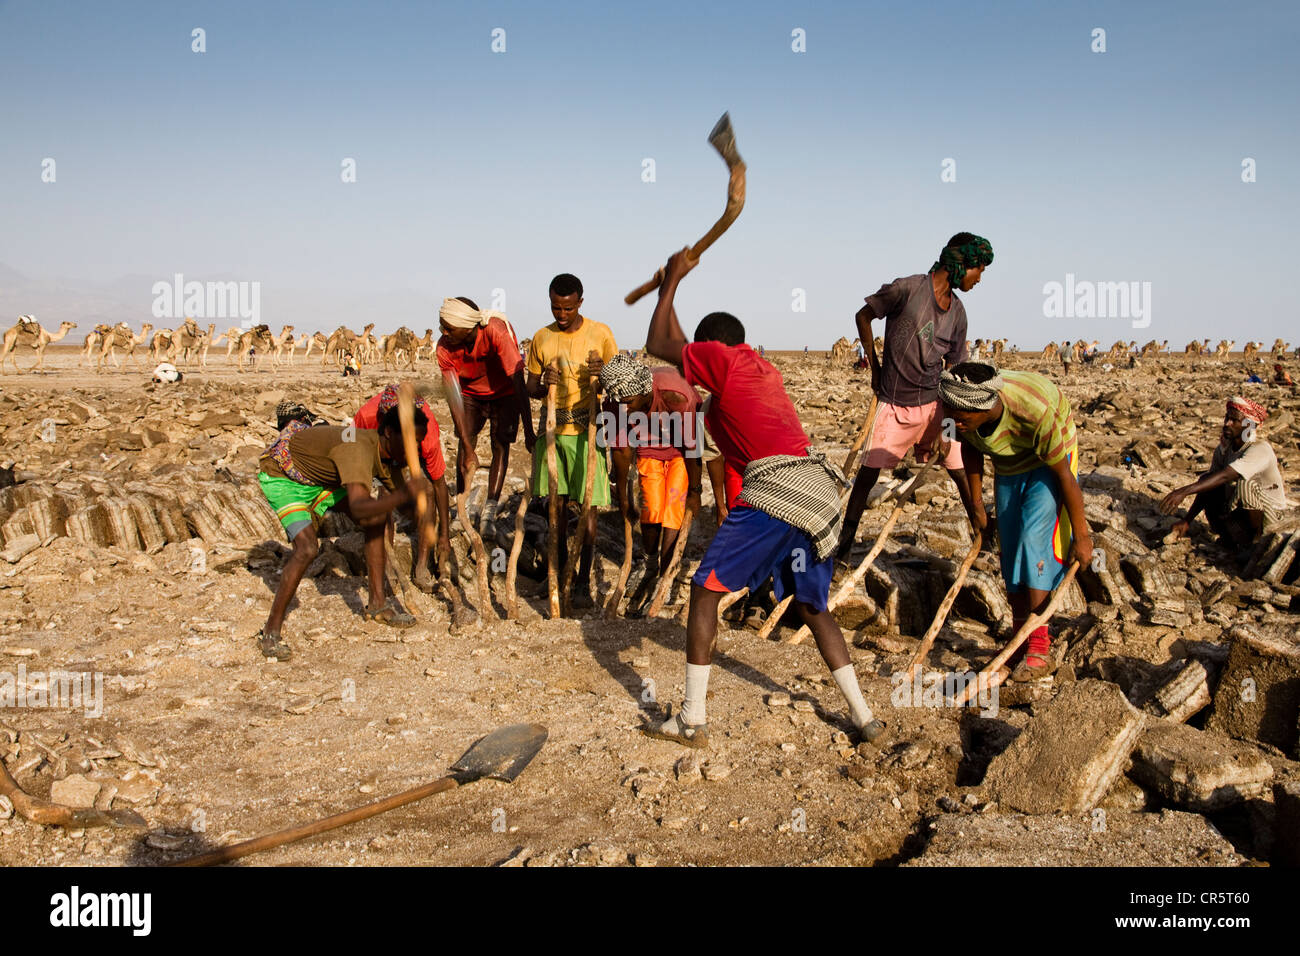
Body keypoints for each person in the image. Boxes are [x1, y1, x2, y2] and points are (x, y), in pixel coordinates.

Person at [642, 248, 886, 747]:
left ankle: (692, 719)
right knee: (815, 609)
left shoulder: (724, 359)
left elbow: (659, 341)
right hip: (817, 496)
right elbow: (729, 448)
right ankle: (865, 719)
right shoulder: (760, 372)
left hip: (778, 491)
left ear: (713, 348)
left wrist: (672, 282)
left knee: (705, 591)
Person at [836, 233, 991, 561]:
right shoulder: (906, 290)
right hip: (893, 404)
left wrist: (948, 432)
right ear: (960, 264)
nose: (979, 279)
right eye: (978, 270)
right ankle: (843, 546)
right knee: (867, 474)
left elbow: (955, 377)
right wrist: (875, 368)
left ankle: (983, 536)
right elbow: (863, 316)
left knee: (959, 469)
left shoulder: (958, 314)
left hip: (936, 406)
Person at [939, 361, 1092, 681]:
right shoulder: (960, 410)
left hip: (1049, 458)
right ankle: (1018, 638)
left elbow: (1064, 476)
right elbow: (970, 450)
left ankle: (1038, 645)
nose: (952, 424)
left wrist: (1081, 533)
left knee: (1032, 540)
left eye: (960, 419)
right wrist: (978, 506)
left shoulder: (1033, 412)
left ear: (984, 408)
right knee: (1009, 546)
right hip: (1009, 459)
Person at [255, 406, 431, 661]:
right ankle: (270, 633)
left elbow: (402, 507)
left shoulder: (387, 458)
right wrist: (404, 495)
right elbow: (359, 507)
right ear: (389, 433)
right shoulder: (358, 449)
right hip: (286, 478)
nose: (415, 449)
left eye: (418, 442)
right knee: (307, 549)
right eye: (411, 441)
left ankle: (377, 605)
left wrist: (420, 506)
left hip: (321, 480)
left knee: (377, 519)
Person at [524, 273, 617, 609]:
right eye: (555, 308)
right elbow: (530, 388)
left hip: (587, 433)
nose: (560, 315)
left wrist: (601, 373)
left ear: (580, 302)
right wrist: (543, 381)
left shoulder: (600, 333)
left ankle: (582, 584)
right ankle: (563, 571)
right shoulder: (541, 338)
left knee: (588, 506)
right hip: (552, 433)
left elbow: (616, 383)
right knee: (557, 509)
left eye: (566, 308)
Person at [599, 354, 702, 615]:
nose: (626, 408)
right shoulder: (617, 400)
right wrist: (623, 499)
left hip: (680, 450)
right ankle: (650, 562)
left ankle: (666, 575)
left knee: (673, 511)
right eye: (621, 403)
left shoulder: (675, 396)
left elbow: (692, 447)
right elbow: (622, 451)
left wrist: (695, 491)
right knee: (651, 509)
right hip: (649, 447)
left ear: (644, 392)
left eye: (630, 402)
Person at [435, 297, 535, 530]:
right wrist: (469, 449)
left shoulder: (496, 331)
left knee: (500, 443)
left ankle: (490, 507)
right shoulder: (444, 347)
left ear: (467, 325)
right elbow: (454, 398)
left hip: (505, 392)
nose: (444, 332)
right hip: (470, 395)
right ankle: (463, 507)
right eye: (442, 327)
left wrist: (529, 430)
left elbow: (517, 381)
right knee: (465, 440)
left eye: (448, 327)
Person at [353, 385, 452, 591]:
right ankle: (387, 566)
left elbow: (439, 483)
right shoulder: (366, 418)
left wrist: (444, 536)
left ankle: (422, 567)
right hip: (381, 453)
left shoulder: (426, 431)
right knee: (383, 496)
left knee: (428, 493)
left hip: (412, 455)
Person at [1161, 396, 1291, 547]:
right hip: (1241, 509)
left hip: (1272, 516)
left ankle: (1256, 542)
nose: (1227, 423)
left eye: (1234, 420)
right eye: (1227, 418)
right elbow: (1210, 483)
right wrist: (1187, 520)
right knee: (1209, 480)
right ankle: (1231, 538)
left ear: (1248, 425)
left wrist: (1183, 491)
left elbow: (1226, 475)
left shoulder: (1259, 449)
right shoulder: (1224, 450)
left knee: (1245, 484)